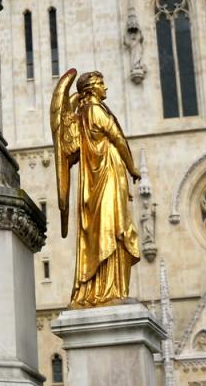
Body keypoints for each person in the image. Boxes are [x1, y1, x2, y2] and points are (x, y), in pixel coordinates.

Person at [69, 71, 141, 308]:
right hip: (106, 176)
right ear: (90, 89)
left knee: (109, 227)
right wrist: (133, 168)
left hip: (104, 176)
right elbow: (118, 138)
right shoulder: (95, 112)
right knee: (113, 227)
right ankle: (107, 289)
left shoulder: (82, 114)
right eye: (101, 84)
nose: (106, 88)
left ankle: (110, 288)